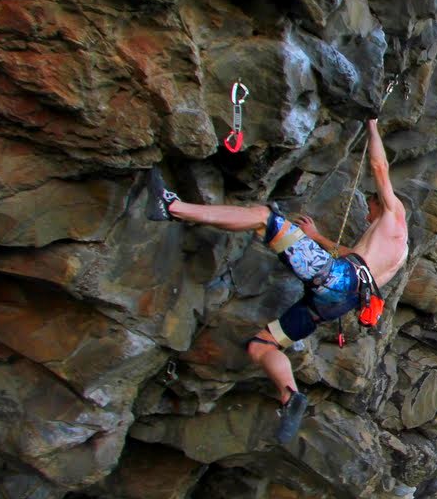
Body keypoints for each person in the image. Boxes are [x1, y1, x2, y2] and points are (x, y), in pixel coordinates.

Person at [144, 118, 409, 442]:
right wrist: (316, 237)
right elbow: (350, 255)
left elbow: (379, 166)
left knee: (263, 218)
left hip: (338, 278)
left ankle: (171, 207)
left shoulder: (393, 214)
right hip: (340, 301)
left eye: (370, 208)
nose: (368, 216)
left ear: (382, 202)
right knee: (262, 344)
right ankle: (290, 396)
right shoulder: (397, 250)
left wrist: (372, 126)